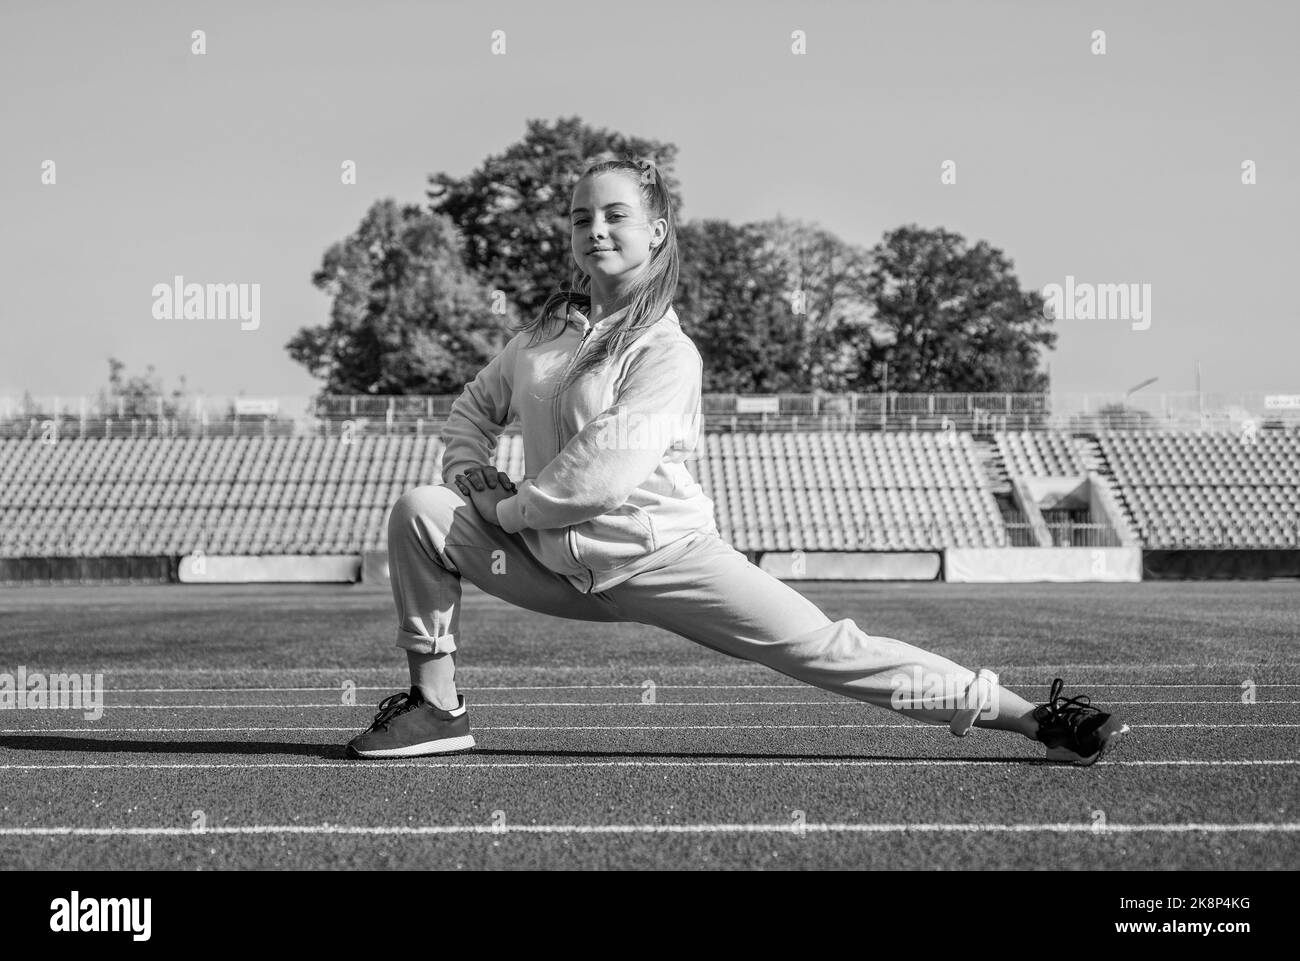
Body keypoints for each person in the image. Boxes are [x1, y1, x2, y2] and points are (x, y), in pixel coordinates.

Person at [346, 155, 1127, 765]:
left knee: (828, 648)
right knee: (421, 512)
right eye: (582, 218)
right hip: (550, 565)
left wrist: (507, 507)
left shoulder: (666, 351)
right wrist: (469, 473)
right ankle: (437, 709)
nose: (596, 230)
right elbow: (470, 411)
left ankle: (1035, 718)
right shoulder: (538, 341)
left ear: (656, 232)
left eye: (616, 215)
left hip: (662, 559)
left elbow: (598, 479)